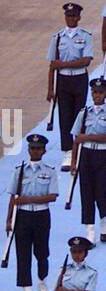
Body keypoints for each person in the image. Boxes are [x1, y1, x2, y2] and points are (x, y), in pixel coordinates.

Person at [7, 133, 59, 291]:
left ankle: (42, 282)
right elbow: (13, 197)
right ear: (28, 149)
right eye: (32, 148)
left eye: (38, 148)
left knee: (42, 252)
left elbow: (52, 196)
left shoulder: (50, 171)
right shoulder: (19, 170)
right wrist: (8, 220)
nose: (35, 151)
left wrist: (28, 199)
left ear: (44, 151)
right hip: (22, 217)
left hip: (41, 216)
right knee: (23, 255)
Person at [49, 3, 94, 170]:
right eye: (68, 16)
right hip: (63, 80)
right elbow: (53, 64)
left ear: (79, 17)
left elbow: (86, 60)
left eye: (74, 15)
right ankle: (67, 152)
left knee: (79, 115)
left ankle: (78, 148)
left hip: (80, 78)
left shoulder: (86, 36)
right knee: (65, 116)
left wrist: (65, 64)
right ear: (65, 17)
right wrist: (50, 89)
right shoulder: (57, 37)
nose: (71, 18)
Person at [70, 74, 106, 241]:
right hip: (86, 155)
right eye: (94, 92)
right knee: (87, 192)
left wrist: (87, 137)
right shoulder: (84, 113)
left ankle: (104, 224)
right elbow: (76, 139)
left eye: (100, 92)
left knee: (102, 191)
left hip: (103, 154)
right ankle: (90, 231)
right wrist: (73, 161)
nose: (96, 95)